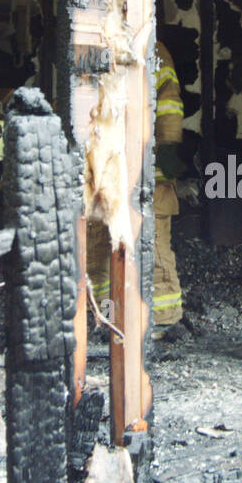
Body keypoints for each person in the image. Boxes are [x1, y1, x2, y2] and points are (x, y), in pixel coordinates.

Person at [88, 40, 186, 340]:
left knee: (152, 243)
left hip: (144, 167)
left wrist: (166, 148)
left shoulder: (151, 47)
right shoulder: (92, 43)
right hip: (105, 165)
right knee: (99, 244)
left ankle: (161, 318)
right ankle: (106, 315)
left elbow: (167, 102)